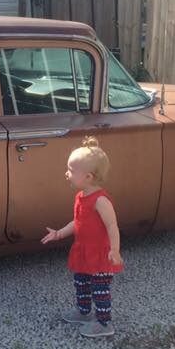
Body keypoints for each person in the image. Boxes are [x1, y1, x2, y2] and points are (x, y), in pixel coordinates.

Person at [41, 137, 124, 338]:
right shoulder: (80, 197)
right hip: (83, 251)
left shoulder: (101, 201)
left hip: (100, 255)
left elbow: (112, 226)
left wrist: (114, 250)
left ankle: (104, 323)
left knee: (99, 289)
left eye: (71, 170)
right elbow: (77, 222)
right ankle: (84, 312)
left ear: (88, 177)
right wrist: (59, 233)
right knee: (81, 283)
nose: (66, 174)